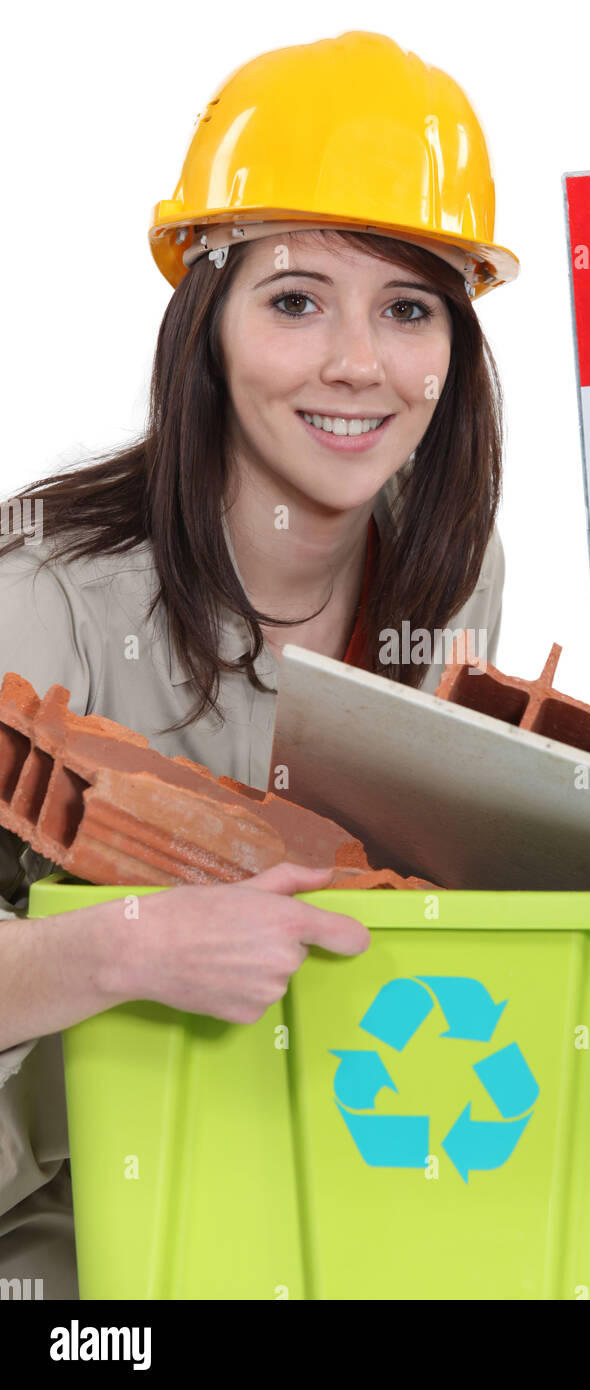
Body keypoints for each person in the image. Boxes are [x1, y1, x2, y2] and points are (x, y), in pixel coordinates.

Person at [0, 31, 518, 1298]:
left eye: (406, 308)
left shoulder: (451, 575)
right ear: (209, 328)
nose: (357, 364)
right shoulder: (43, 596)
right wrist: (129, 949)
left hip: (314, 1202)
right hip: (66, 1241)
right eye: (295, 300)